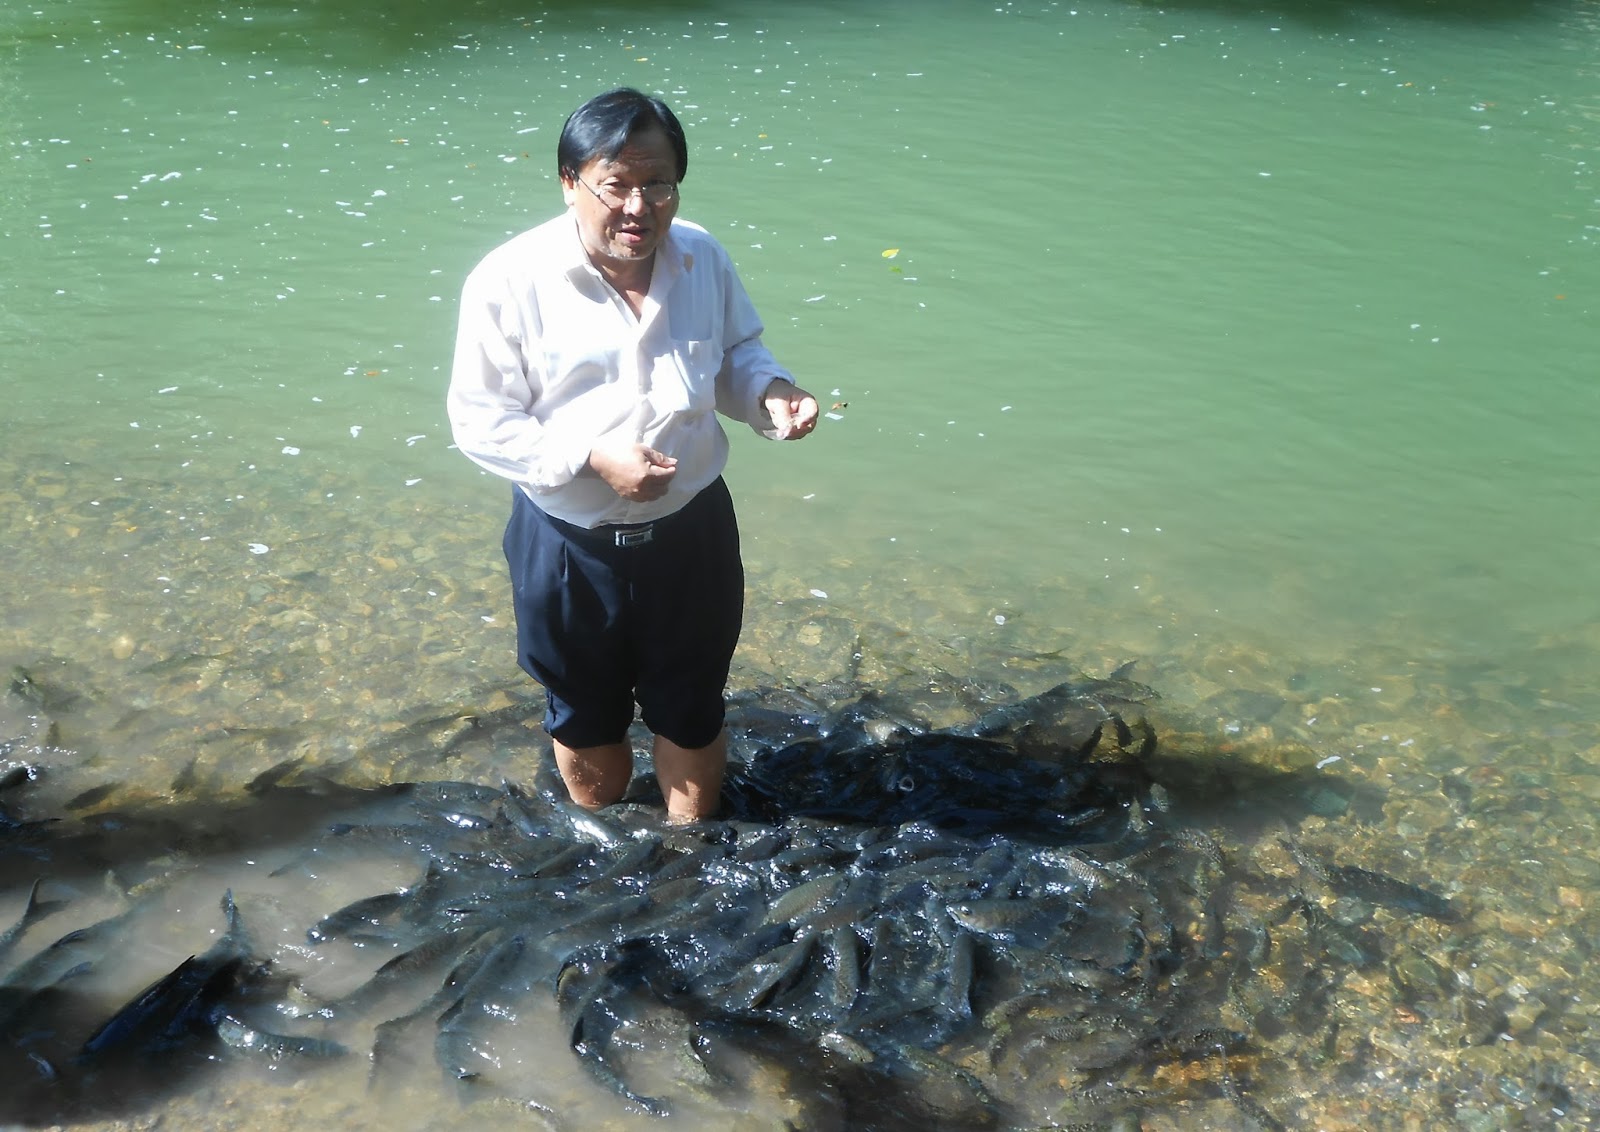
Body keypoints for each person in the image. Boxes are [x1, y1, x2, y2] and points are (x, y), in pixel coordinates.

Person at [447, 88, 819, 823]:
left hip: (692, 533)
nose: (639, 207)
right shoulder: (508, 281)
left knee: (692, 704)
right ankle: (606, 840)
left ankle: (687, 852)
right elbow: (479, 421)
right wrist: (591, 456)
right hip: (566, 543)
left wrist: (769, 393)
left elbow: (738, 352)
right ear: (569, 184)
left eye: (658, 184)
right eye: (615, 184)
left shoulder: (701, 256)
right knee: (584, 714)